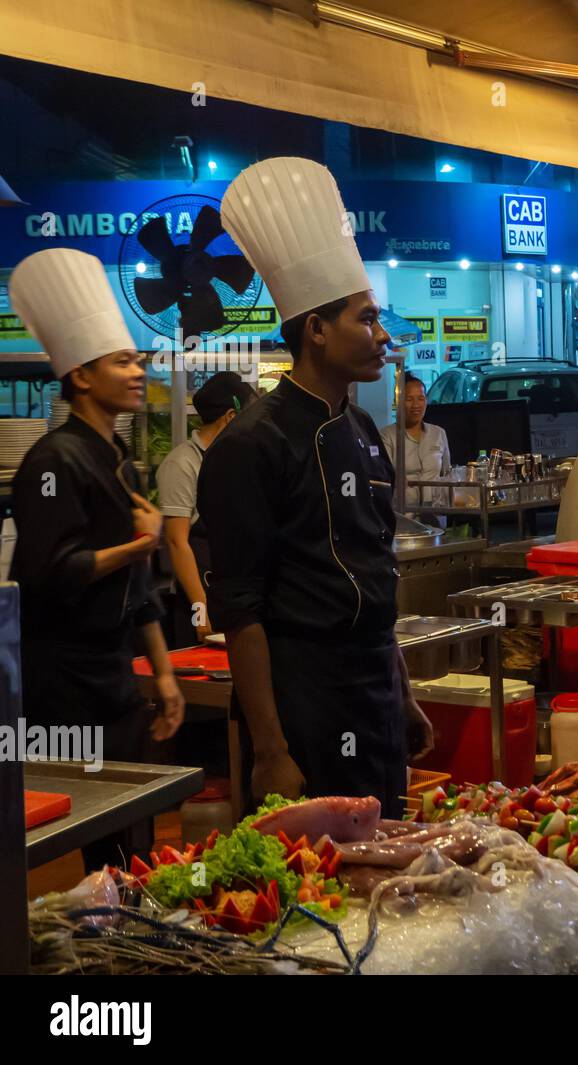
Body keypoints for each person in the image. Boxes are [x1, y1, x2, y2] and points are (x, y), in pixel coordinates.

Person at [198, 157, 433, 817]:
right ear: (316, 330)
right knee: (319, 896)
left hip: (375, 695)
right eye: (366, 320)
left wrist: (403, 693)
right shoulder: (251, 444)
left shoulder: (359, 426)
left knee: (388, 882)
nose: (382, 336)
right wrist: (271, 748)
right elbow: (241, 609)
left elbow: (373, 569)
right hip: (304, 698)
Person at [8, 248, 185, 871]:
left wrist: (162, 674)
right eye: (123, 362)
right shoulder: (55, 462)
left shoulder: (117, 458)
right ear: (81, 377)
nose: (139, 372)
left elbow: (137, 588)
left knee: (129, 835)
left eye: (138, 360)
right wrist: (141, 543)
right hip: (65, 684)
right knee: (86, 836)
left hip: (114, 675)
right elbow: (49, 574)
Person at [156, 371, 257, 644]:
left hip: (235, 597)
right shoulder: (182, 464)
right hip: (197, 599)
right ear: (231, 418)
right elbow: (177, 542)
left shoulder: (238, 460)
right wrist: (200, 610)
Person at [378, 372, 451, 516]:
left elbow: (446, 473)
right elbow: (383, 475)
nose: (416, 405)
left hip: (435, 514)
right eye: (409, 399)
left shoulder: (438, 433)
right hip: (403, 515)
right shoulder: (387, 435)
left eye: (421, 398)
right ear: (399, 401)